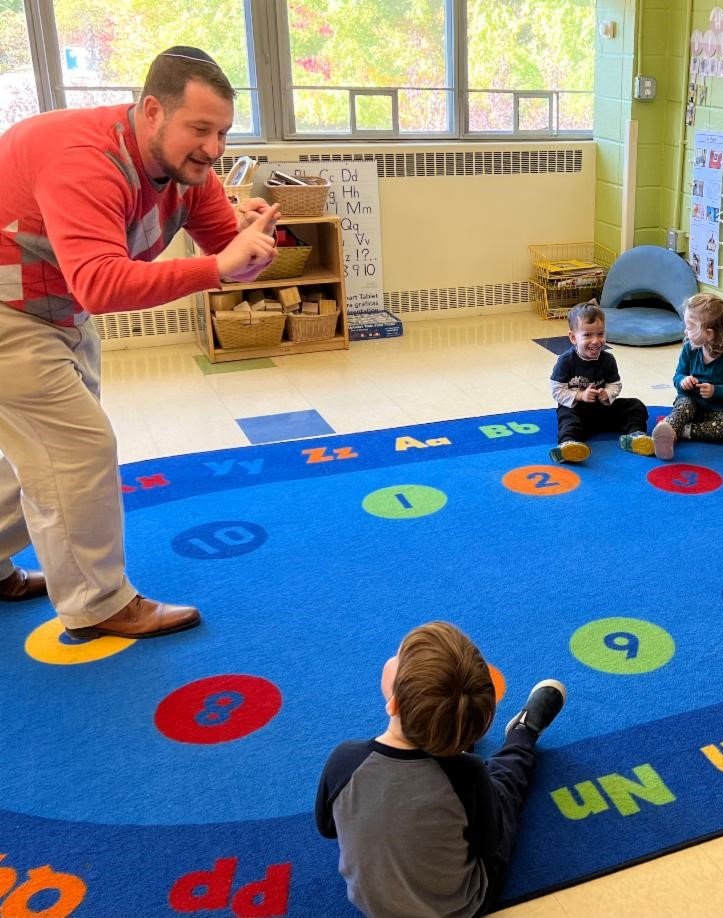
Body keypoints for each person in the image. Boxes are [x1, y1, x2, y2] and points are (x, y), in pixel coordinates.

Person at [0, 46, 281, 638]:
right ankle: (98, 605)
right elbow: (102, 284)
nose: (214, 148)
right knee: (75, 450)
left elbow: (225, 250)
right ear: (152, 111)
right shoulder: (85, 160)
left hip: (55, 307)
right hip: (11, 307)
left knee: (44, 454)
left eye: (223, 132)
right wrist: (218, 268)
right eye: (199, 129)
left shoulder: (188, 172)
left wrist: (249, 241)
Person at [315, 621, 567, 918]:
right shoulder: (468, 775)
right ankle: (523, 733)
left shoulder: (345, 760)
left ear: (394, 704)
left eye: (398, 659)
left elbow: (327, 828)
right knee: (504, 787)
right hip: (465, 907)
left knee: (468, 783)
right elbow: (488, 844)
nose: (392, 660)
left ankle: (460, 740)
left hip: (373, 908)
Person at [548, 301, 652, 463]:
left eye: (600, 334)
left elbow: (615, 384)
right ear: (573, 338)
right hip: (577, 410)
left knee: (635, 406)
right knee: (567, 418)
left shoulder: (608, 359)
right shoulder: (566, 361)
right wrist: (580, 396)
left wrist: (607, 394)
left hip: (602, 409)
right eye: (587, 335)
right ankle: (569, 445)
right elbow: (556, 390)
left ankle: (635, 437)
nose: (596, 341)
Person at [651, 293, 723, 460]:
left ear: (709, 334)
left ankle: (678, 430)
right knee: (684, 406)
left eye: (690, 327)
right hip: (689, 402)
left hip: (716, 411)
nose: (685, 331)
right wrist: (683, 381)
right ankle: (669, 432)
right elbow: (678, 376)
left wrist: (715, 391)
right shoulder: (690, 349)